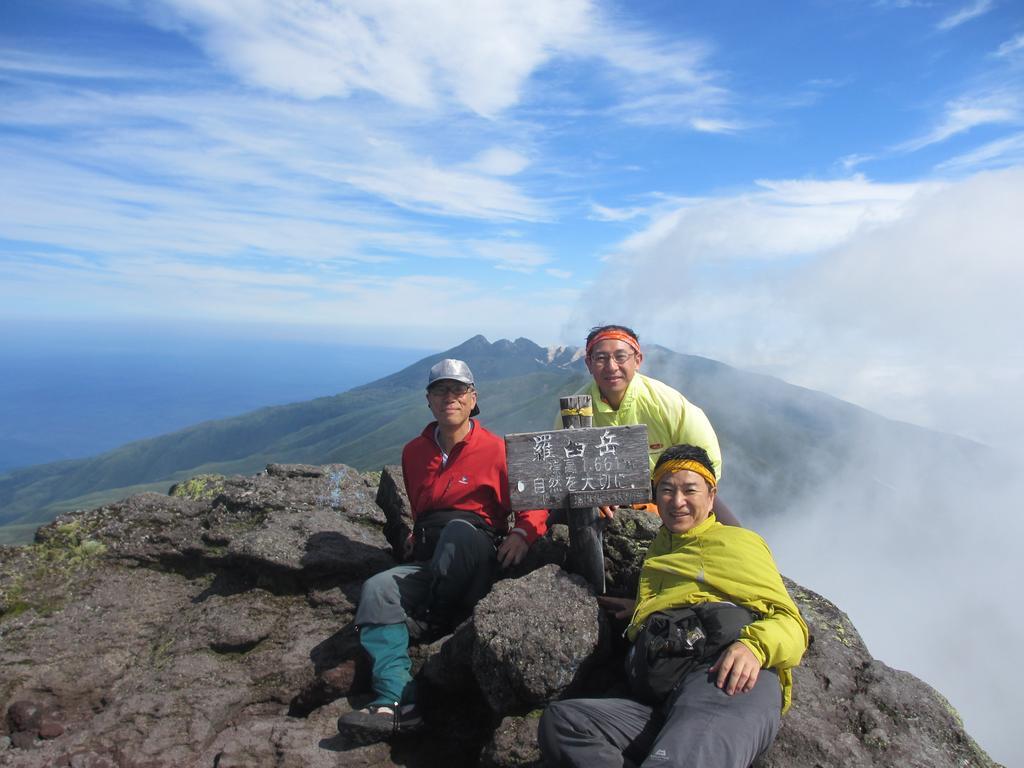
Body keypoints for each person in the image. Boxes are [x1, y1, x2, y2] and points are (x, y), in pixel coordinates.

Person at [538, 444, 808, 768]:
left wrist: (755, 648)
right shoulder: (661, 547)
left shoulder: (737, 542)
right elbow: (691, 591)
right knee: (563, 724)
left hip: (722, 680)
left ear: (711, 496)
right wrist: (644, 609)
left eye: (689, 490)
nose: (677, 501)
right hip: (664, 702)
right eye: (666, 490)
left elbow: (792, 624)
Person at [338, 358, 547, 739]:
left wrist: (523, 534)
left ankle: (432, 618)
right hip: (433, 563)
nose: (449, 397)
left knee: (458, 532)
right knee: (378, 589)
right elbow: (419, 510)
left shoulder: (498, 449)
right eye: (440, 391)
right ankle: (397, 701)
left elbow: (533, 503)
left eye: (458, 390)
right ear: (429, 401)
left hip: (479, 557)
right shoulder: (414, 452)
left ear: (473, 399)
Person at [561, 324, 739, 525]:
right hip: (603, 495)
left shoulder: (668, 403)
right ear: (589, 364)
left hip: (672, 492)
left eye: (620, 357)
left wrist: (670, 498)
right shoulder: (575, 410)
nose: (611, 367)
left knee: (737, 536)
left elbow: (708, 462)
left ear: (637, 360)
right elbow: (561, 465)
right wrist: (593, 496)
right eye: (601, 358)